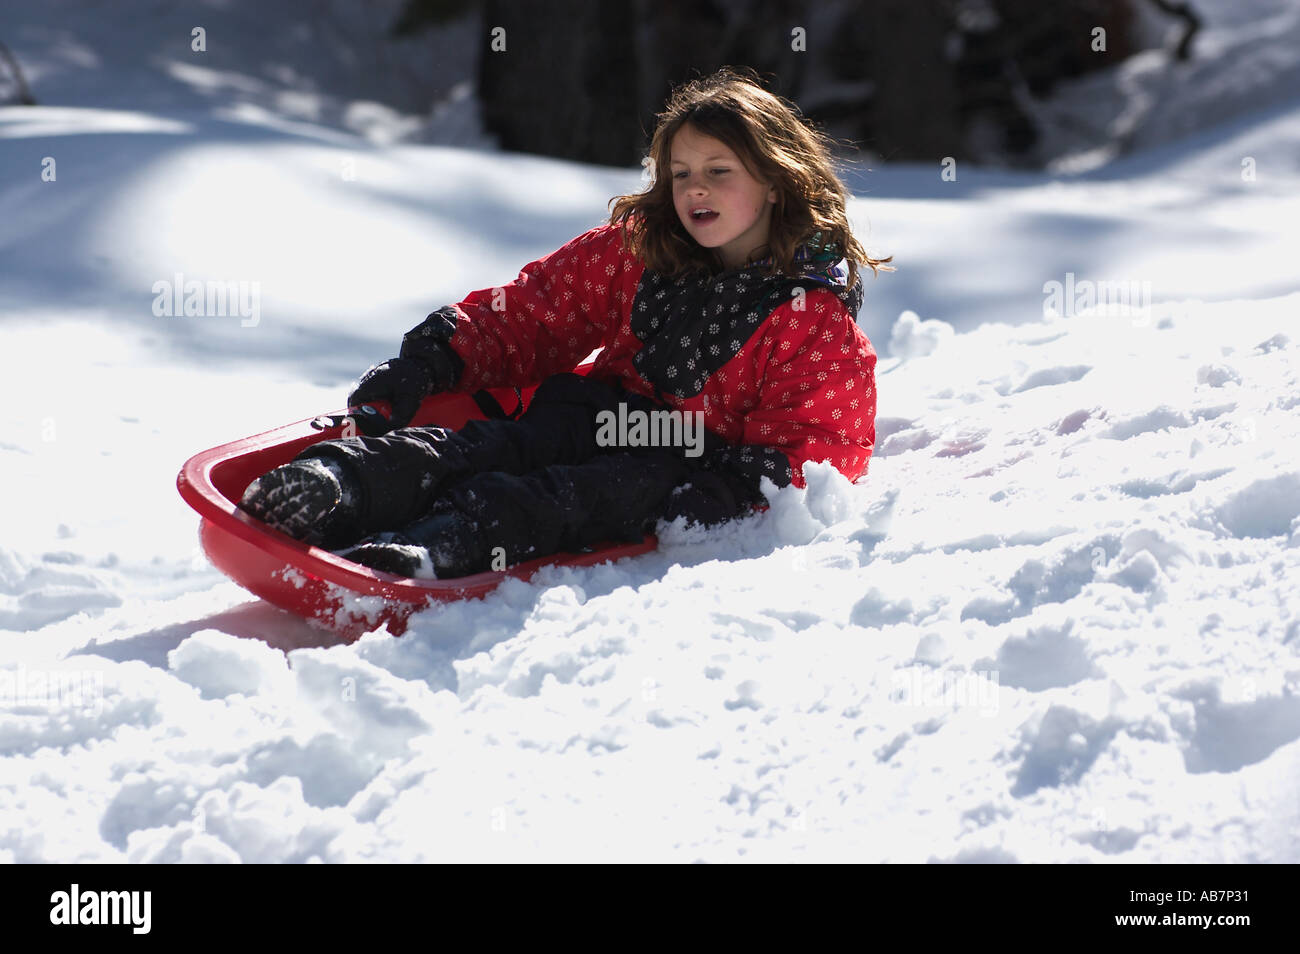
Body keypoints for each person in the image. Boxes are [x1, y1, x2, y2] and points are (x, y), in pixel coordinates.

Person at [238, 67, 892, 578]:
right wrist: (439, 356)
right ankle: (342, 482)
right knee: (492, 446)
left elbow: (821, 439)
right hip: (597, 410)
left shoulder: (810, 318)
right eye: (682, 173)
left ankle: (441, 546)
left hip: (692, 459)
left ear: (776, 182)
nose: (696, 190)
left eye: (720, 173)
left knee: (570, 497)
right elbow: (536, 314)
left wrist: (738, 488)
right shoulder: (645, 246)